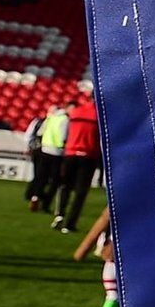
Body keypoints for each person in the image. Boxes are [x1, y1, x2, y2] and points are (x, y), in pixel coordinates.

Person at [50, 87, 101, 234]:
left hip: (71, 153)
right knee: (80, 192)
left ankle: (59, 214)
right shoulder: (99, 115)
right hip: (88, 155)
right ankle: (69, 223)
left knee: (65, 186)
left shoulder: (76, 112)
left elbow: (65, 133)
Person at [27, 102, 69, 213]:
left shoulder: (51, 118)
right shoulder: (64, 120)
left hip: (45, 149)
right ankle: (46, 204)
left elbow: (40, 132)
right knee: (55, 180)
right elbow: (63, 135)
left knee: (41, 177)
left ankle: (35, 197)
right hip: (57, 152)